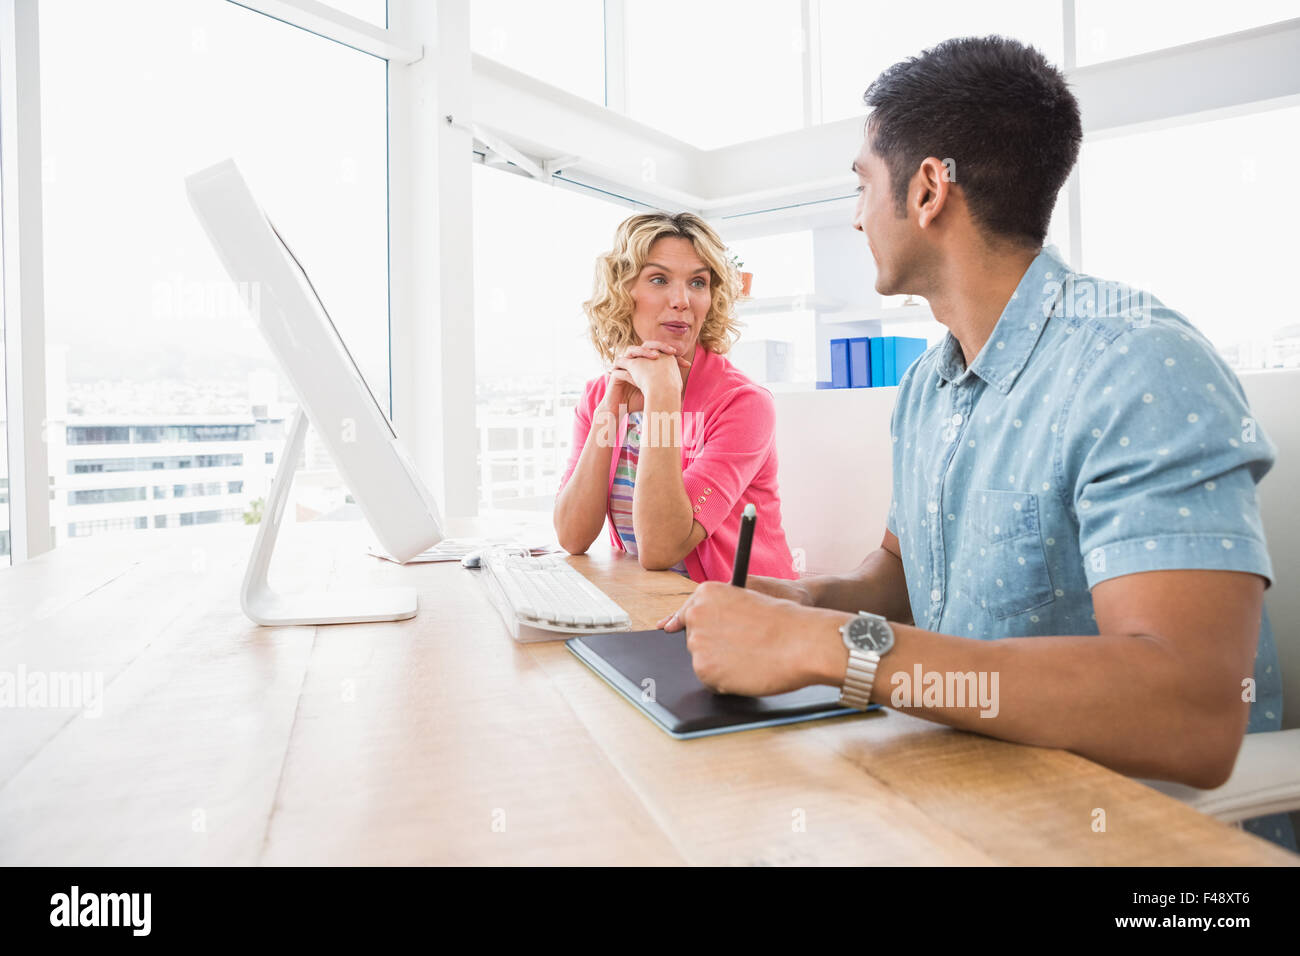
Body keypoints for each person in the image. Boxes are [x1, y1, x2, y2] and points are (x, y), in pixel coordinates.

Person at [659, 36, 1294, 852]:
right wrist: (803, 605)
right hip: (953, 789)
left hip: (1121, 835)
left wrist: (832, 649)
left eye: (862, 185)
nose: (856, 214)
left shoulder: (1136, 364)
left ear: (927, 190)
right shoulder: (930, 384)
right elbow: (900, 577)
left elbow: (1192, 708)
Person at [554, 212, 797, 583]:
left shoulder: (744, 404)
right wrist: (610, 411)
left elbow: (660, 548)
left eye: (698, 282)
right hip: (655, 603)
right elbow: (572, 535)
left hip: (744, 615)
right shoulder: (599, 397)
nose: (682, 300)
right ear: (624, 291)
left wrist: (663, 397)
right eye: (659, 279)